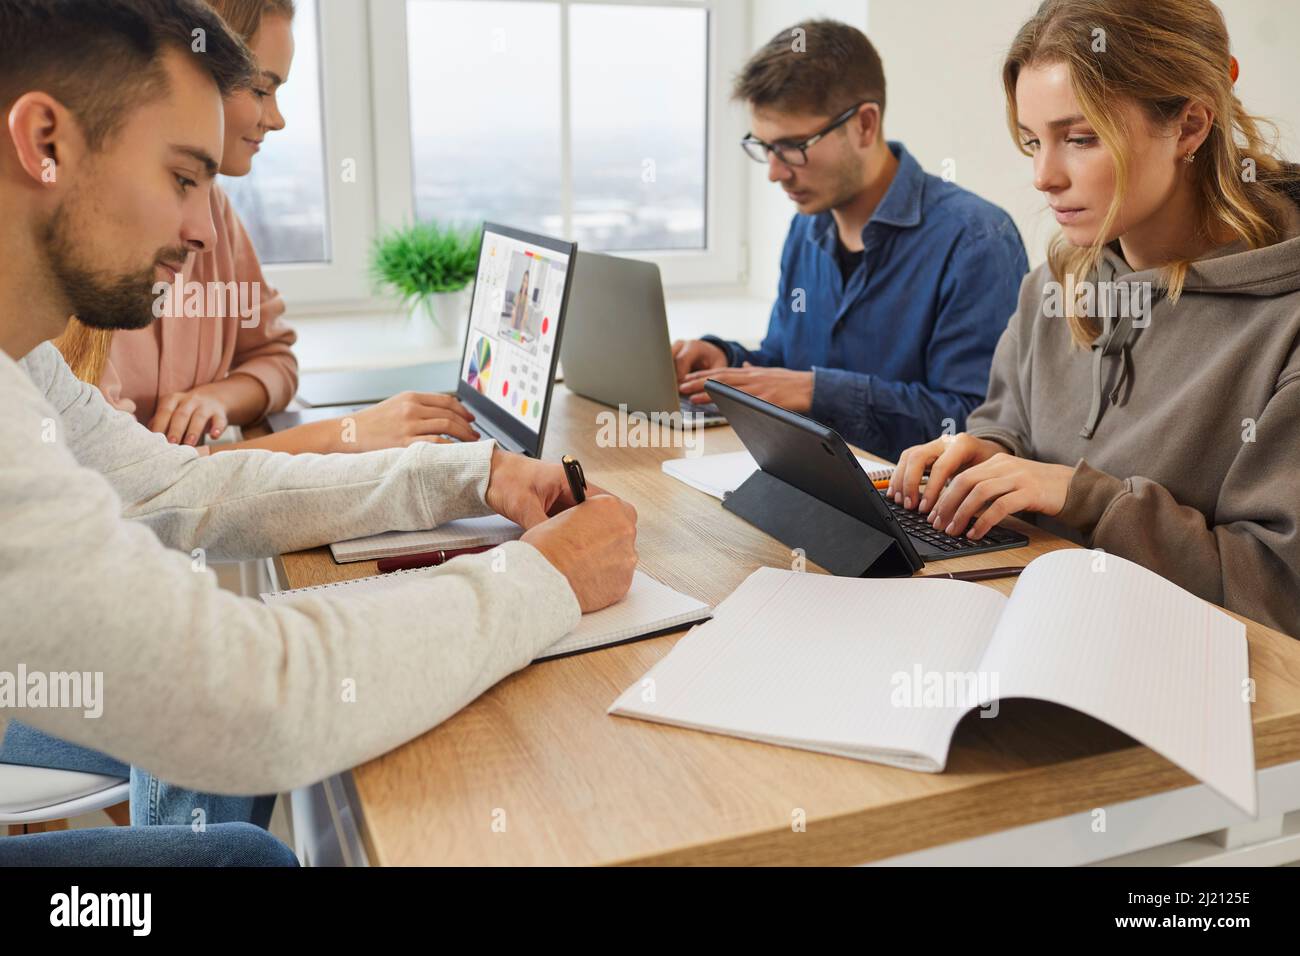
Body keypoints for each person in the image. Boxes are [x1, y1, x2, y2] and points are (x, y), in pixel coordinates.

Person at [0, 0, 638, 866]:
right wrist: (547, 577)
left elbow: (174, 486)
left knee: (225, 762)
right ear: (44, 141)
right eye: (184, 178)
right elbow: (256, 703)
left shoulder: (24, 358)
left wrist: (466, 474)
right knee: (244, 850)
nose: (200, 227)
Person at [887, 0, 1300, 637]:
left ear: (1189, 126)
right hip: (1020, 627)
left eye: (1080, 139)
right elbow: (1006, 428)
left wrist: (1089, 501)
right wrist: (980, 459)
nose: (1043, 177)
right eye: (1032, 141)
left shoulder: (1285, 324)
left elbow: (1276, 591)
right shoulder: (1052, 285)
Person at [673, 18, 1028, 462]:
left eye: (793, 146)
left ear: (864, 124)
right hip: (815, 488)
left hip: (919, 512)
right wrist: (722, 357)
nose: (775, 172)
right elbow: (785, 363)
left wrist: (820, 392)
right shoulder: (807, 225)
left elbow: (976, 425)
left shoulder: (977, 240)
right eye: (764, 147)